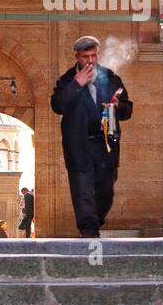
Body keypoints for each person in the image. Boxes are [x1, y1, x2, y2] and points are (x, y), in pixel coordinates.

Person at [50, 36, 133, 238]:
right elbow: (58, 105)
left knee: (106, 192)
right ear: (77, 57)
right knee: (83, 192)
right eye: (86, 56)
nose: (90, 60)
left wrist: (116, 106)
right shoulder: (66, 81)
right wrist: (77, 84)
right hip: (79, 146)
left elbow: (127, 109)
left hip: (105, 145)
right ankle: (88, 233)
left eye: (94, 55)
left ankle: (95, 221)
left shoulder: (111, 78)